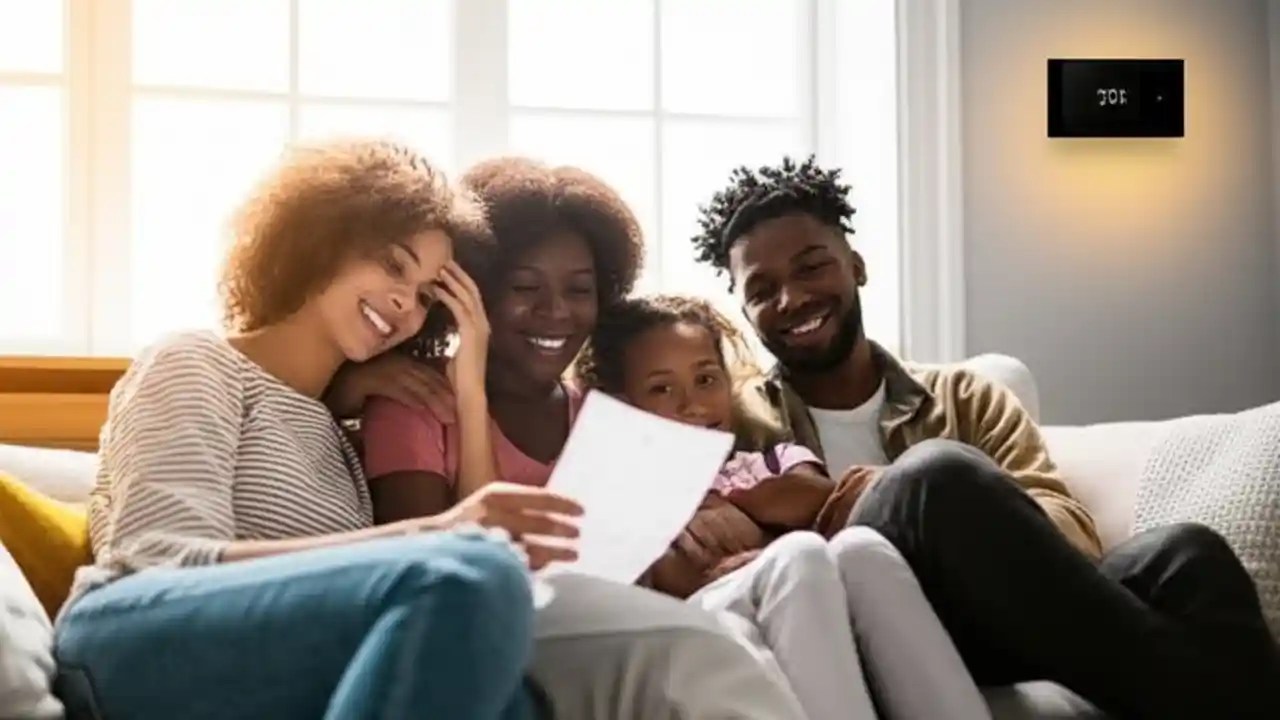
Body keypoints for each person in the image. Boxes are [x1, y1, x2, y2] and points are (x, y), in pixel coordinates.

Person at [687, 155, 1280, 719]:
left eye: (812, 266)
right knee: (932, 477)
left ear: (856, 267)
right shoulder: (733, 422)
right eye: (761, 291)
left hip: (1005, 614)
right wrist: (875, 507)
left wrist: (958, 520)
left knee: (1186, 553)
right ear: (743, 310)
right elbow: (715, 562)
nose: (791, 298)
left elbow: (1070, 530)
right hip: (875, 631)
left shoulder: (964, 397)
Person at [53, 140, 591, 720]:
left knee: (514, 694)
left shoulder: (340, 431)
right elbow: (156, 556)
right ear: (322, 239)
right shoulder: (195, 360)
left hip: (257, 657)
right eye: (392, 265)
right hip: (131, 634)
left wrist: (469, 383)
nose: (403, 304)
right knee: (465, 571)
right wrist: (438, 534)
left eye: (423, 297)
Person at [346, 156, 809, 719]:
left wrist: (716, 527)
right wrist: (470, 393)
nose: (556, 312)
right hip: (500, 637)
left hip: (623, 634)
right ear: (473, 291)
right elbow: (440, 563)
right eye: (524, 287)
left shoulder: (609, 412)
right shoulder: (412, 405)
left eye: (580, 289)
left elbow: (661, 551)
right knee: (703, 649)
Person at [574, 293, 991, 720]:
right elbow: (676, 575)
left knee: (861, 547)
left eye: (706, 379)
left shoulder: (769, 462)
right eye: (662, 388)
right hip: (701, 624)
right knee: (800, 553)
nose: (692, 403)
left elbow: (824, 504)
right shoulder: (624, 490)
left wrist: (750, 521)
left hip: (805, 603)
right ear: (622, 404)